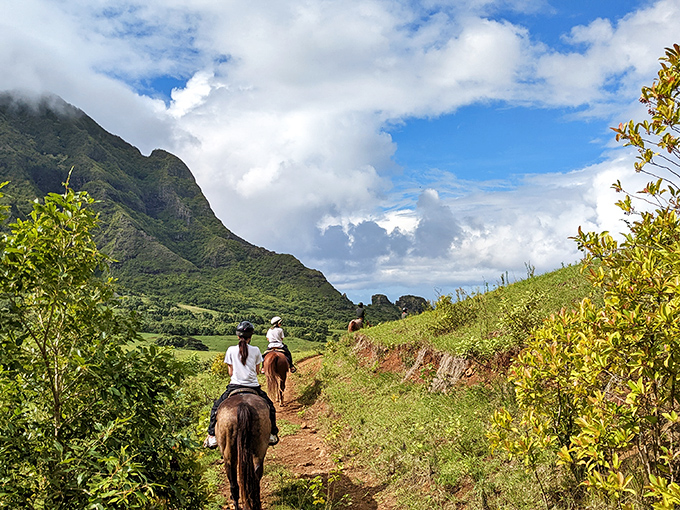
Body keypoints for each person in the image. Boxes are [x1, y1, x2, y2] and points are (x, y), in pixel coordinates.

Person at [204, 320, 279, 448]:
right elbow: (256, 371)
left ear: (238, 336)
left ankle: (212, 436)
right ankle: (272, 434)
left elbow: (230, 372)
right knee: (270, 407)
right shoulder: (255, 350)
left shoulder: (230, 350)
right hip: (253, 387)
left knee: (216, 408)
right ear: (251, 337)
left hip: (234, 386)